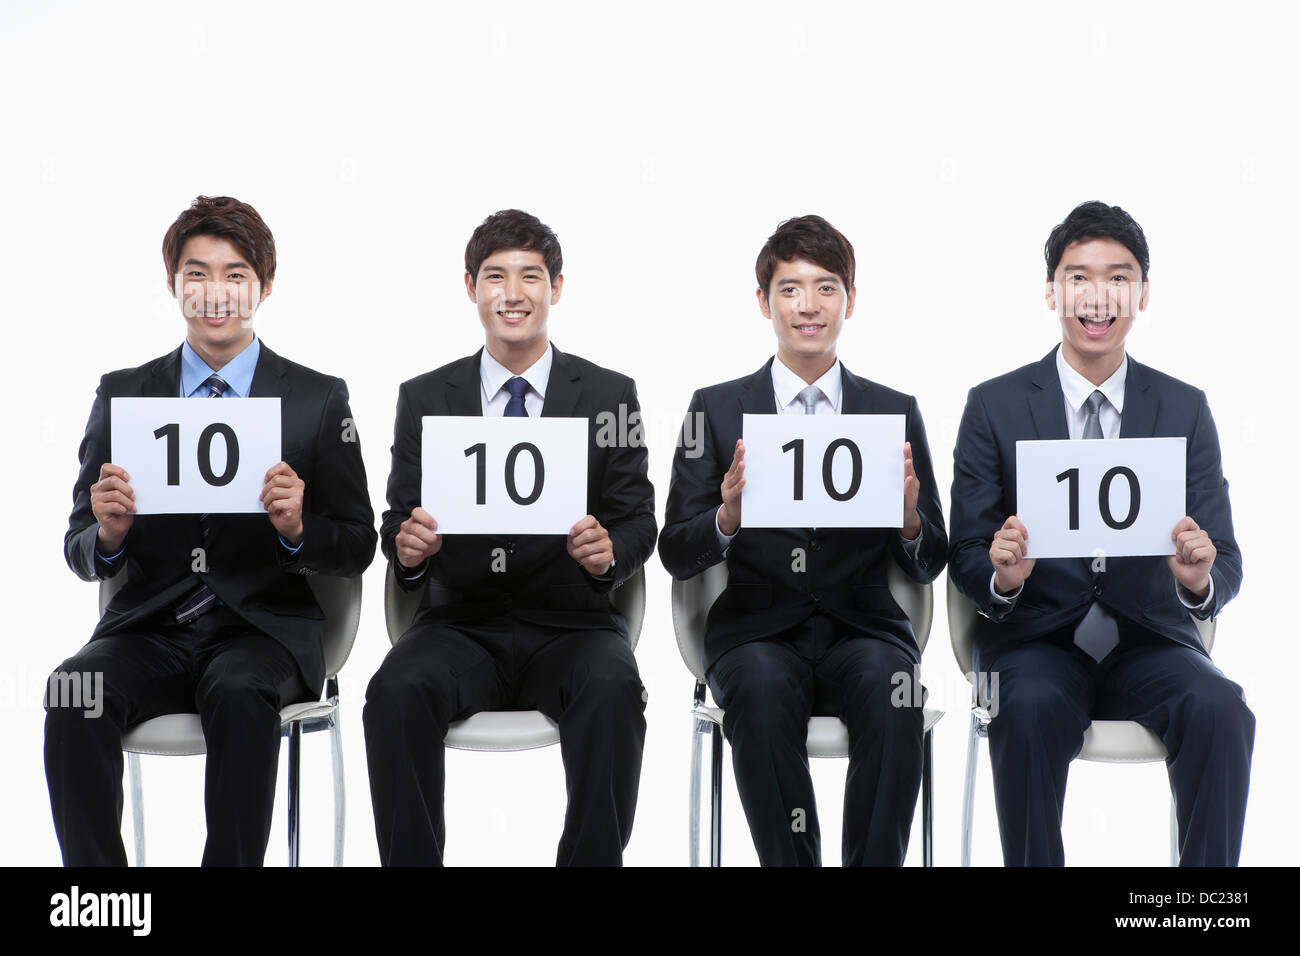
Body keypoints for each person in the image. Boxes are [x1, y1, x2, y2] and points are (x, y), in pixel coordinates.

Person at [47, 195, 377, 866]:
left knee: (236, 690)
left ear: (265, 284)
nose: (214, 293)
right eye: (196, 274)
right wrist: (108, 534)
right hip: (149, 630)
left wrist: (295, 527)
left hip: (262, 631)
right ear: (173, 283)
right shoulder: (125, 394)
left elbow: (357, 544)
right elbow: (80, 549)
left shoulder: (317, 400)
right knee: (69, 689)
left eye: (234, 274)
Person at [947, 200, 1254, 866]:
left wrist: (1199, 579)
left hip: (1149, 641)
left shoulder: (1183, 408)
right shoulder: (994, 406)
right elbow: (965, 554)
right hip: (1034, 642)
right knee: (1025, 707)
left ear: (1142, 294)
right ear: (1053, 290)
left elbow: (1225, 561)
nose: (1098, 295)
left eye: (1118, 277)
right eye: (1078, 276)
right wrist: (1001, 574)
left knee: (1223, 707)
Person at [363, 208, 656, 866]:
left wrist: (609, 551)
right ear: (471, 288)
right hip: (460, 623)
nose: (513, 293)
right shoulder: (426, 396)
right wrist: (408, 552)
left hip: (574, 623)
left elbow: (639, 516)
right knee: (392, 692)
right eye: (495, 277)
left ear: (556, 287)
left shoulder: (610, 394)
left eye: (530, 276)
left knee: (615, 693)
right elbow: (396, 520)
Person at [658, 215, 946, 865]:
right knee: (758, 689)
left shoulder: (892, 410)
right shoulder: (715, 408)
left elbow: (931, 562)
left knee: (894, 689)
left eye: (825, 287)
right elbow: (676, 549)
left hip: (864, 630)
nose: (808, 306)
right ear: (763, 302)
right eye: (790, 289)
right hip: (756, 634)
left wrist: (909, 522)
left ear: (850, 299)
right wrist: (726, 518)